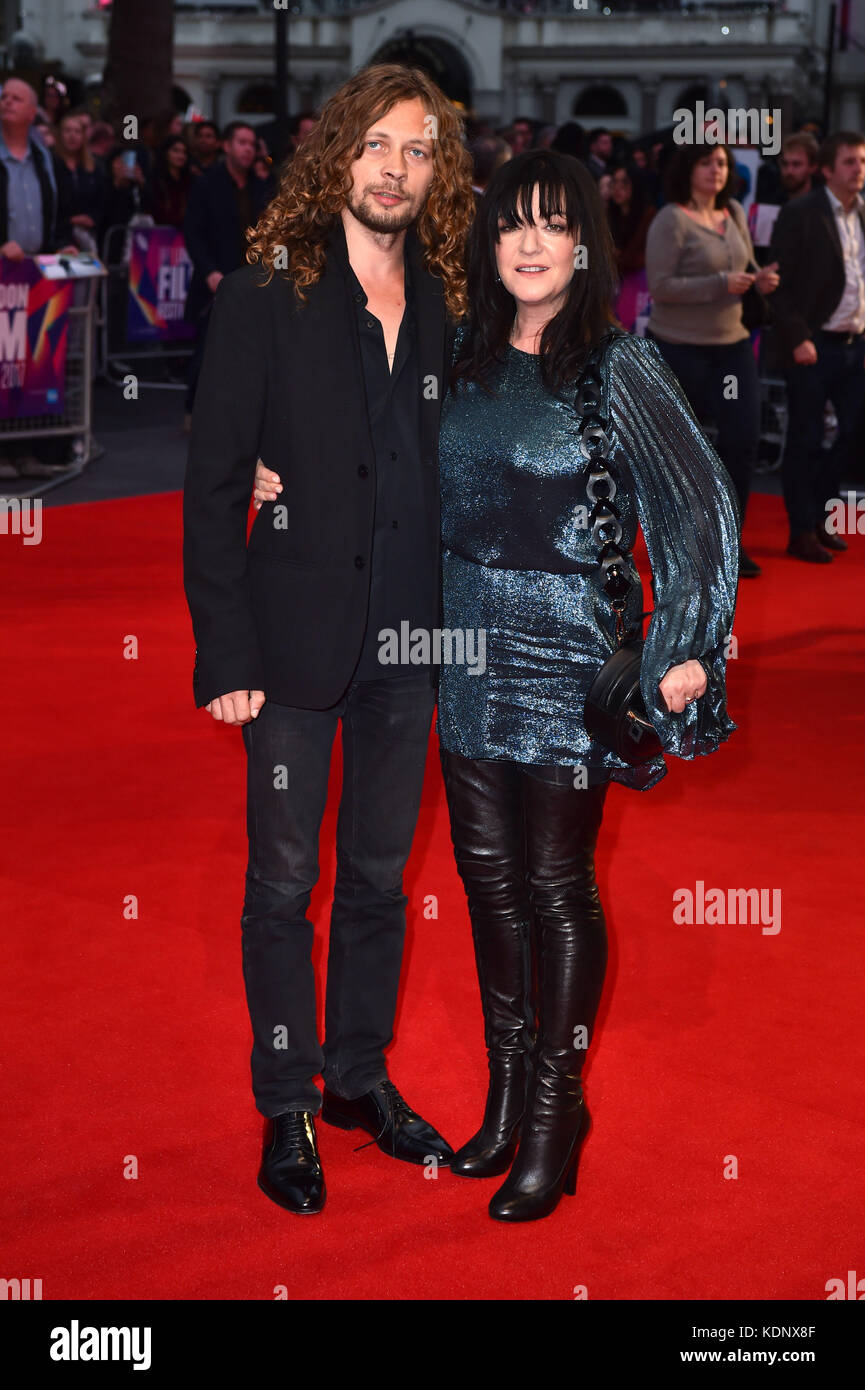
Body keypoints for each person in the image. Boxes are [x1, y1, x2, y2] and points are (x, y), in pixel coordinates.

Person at [253, 149, 740, 1223]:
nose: (527, 243)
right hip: (461, 649)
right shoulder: (463, 354)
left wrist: (688, 644)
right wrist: (266, 462)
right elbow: (376, 453)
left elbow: (703, 503)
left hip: (569, 653)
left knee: (557, 884)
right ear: (492, 241)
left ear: (581, 244)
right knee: (487, 882)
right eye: (510, 224)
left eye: (550, 224)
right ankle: (507, 1092)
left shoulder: (618, 365)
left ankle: (557, 1110)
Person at [182, 64, 475, 1217]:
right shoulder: (268, 291)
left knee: (377, 882)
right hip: (292, 643)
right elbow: (214, 485)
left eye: (418, 150)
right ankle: (287, 1101)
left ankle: (357, 1077)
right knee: (283, 883)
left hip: (412, 644)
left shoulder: (449, 298)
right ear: (336, 153)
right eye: (379, 145)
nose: (397, 168)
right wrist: (227, 655)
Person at [644, 142, 779, 579]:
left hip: (733, 345)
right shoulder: (671, 219)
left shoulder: (735, 212)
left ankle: (728, 543)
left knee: (742, 443)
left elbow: (745, 264)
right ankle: (681, 550)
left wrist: (759, 279)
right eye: (707, 162)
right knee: (680, 453)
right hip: (679, 347)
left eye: (721, 163)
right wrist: (722, 282)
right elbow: (661, 287)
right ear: (688, 168)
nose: (716, 170)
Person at [767, 131, 865, 563]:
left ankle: (823, 516)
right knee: (805, 439)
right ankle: (801, 529)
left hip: (855, 343)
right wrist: (799, 337)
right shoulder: (800, 213)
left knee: (851, 434)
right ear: (827, 169)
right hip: (812, 344)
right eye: (849, 161)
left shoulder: (863, 214)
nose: (858, 168)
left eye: (862, 161)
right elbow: (778, 287)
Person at [0, 77, 79, 480]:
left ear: (33, 112)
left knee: (30, 366)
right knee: (3, 365)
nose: (6, 101)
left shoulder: (42, 156)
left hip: (35, 278)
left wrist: (61, 243)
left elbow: (59, 210)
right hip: (2, 275)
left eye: (16, 97)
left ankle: (27, 449)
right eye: (4, 96)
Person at [181, 121, 274, 427]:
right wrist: (208, 271)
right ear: (227, 146)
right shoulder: (208, 184)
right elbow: (193, 233)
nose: (248, 150)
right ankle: (194, 411)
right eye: (242, 143)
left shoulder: (260, 186)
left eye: (252, 144)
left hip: (253, 280)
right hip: (218, 279)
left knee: (252, 348)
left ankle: (244, 412)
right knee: (210, 347)